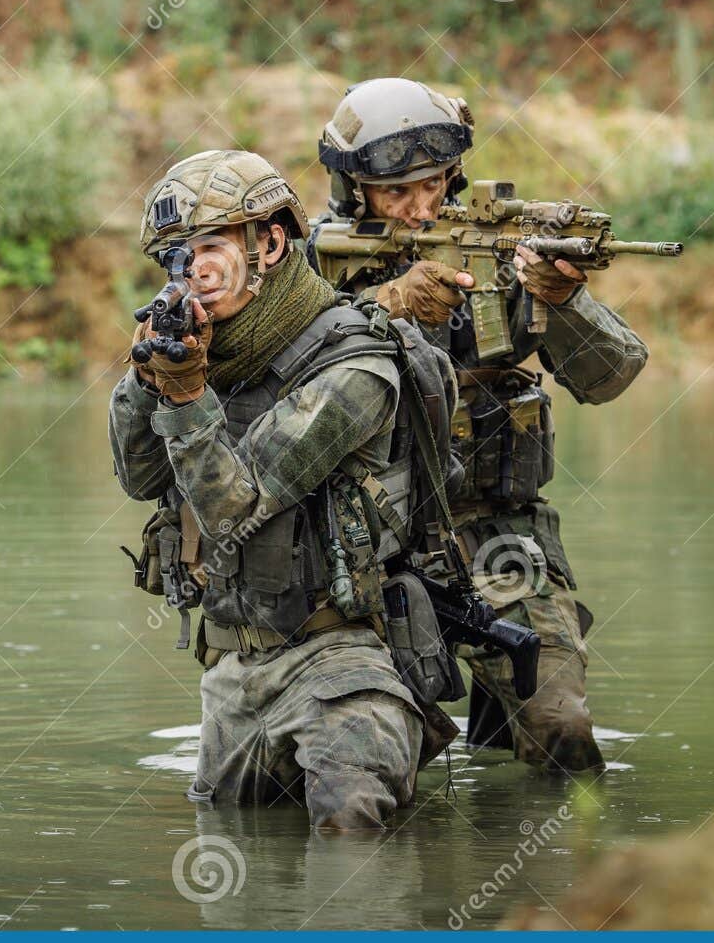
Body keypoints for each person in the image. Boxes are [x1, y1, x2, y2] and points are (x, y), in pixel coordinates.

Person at [107, 149, 455, 829]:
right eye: (175, 257)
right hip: (232, 672)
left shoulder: (354, 361)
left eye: (209, 248)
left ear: (268, 244)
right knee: (236, 851)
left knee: (349, 831)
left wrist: (186, 397)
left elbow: (235, 510)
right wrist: (147, 378)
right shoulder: (208, 349)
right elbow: (140, 476)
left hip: (341, 661)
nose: (190, 272)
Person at [316, 77, 650, 774]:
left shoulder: (502, 257)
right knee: (366, 767)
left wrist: (562, 301)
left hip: (499, 540)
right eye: (396, 192)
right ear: (355, 191)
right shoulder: (312, 273)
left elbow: (612, 375)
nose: (420, 207)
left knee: (564, 737)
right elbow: (277, 375)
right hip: (363, 554)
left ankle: (545, 843)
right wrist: (386, 305)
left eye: (434, 184)